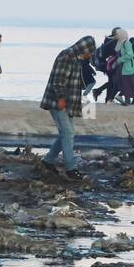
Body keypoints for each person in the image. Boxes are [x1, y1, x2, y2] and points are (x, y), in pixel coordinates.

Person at [39, 36, 96, 180]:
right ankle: (71, 168)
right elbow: (58, 80)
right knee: (68, 133)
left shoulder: (76, 58)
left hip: (65, 101)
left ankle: (47, 161)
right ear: (85, 49)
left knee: (66, 133)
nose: (90, 55)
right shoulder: (67, 56)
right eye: (90, 51)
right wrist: (61, 98)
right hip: (57, 101)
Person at [117, 33, 134, 105]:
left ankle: (131, 99)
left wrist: (120, 60)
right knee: (128, 84)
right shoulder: (122, 43)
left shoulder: (126, 43)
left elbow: (130, 55)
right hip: (127, 68)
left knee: (127, 84)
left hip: (129, 68)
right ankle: (130, 100)